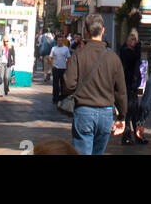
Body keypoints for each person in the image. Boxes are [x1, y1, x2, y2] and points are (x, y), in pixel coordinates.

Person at [62, 13, 127, 156]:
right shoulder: (113, 58)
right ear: (103, 31)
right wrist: (122, 116)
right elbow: (121, 91)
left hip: (84, 111)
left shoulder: (78, 55)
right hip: (105, 113)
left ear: (86, 31)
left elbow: (68, 85)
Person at [118, 30, 145, 145]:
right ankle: (126, 136)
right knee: (128, 112)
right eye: (132, 40)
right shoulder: (125, 51)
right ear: (127, 41)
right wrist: (138, 47)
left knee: (135, 112)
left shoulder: (132, 50)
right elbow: (134, 58)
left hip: (133, 84)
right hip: (127, 84)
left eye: (135, 40)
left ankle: (137, 136)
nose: (134, 42)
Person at [50, 33, 71, 106]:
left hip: (63, 68)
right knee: (55, 84)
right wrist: (52, 65)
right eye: (58, 40)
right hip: (56, 68)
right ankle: (55, 98)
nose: (59, 42)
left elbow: (68, 58)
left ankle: (62, 98)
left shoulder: (66, 48)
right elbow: (51, 57)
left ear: (63, 41)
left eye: (61, 40)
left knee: (63, 84)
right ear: (56, 41)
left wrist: (67, 67)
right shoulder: (54, 48)